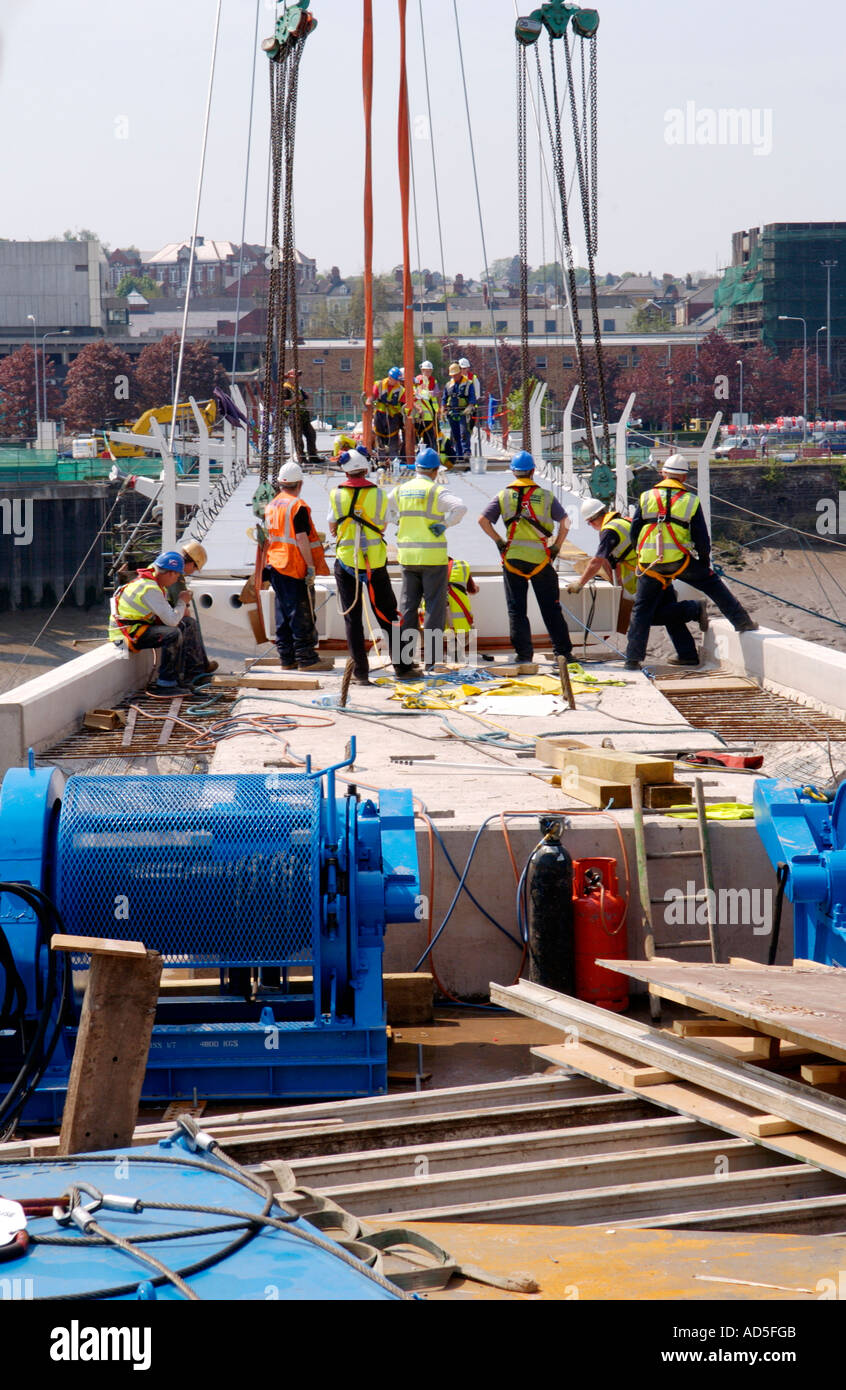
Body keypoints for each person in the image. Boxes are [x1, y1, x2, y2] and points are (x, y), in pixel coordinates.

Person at [625, 453, 758, 670]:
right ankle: (741, 621)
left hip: (649, 565)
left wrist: (641, 555)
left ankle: (632, 660)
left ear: (663, 473)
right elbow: (701, 538)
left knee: (641, 610)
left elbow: (635, 531)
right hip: (680, 562)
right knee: (713, 585)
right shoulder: (691, 501)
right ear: (684, 478)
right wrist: (704, 565)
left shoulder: (646, 496)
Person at [567, 498, 708, 659]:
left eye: (589, 523)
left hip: (648, 577)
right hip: (659, 570)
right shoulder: (623, 522)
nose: (591, 527)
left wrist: (580, 583)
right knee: (670, 612)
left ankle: (694, 609)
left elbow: (597, 560)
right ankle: (687, 655)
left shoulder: (609, 530)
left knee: (642, 617)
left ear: (595, 518)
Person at [478, 450, 573, 665]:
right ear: (532, 471)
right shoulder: (547, 496)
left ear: (513, 472)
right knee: (551, 608)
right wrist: (557, 546)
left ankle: (523, 654)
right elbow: (566, 522)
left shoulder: (502, 496)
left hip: (513, 560)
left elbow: (483, 520)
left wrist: (499, 541)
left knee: (517, 610)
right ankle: (563, 653)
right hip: (541, 560)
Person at [327, 444, 410, 684]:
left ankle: (360, 673)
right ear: (366, 469)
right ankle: (403, 668)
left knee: (352, 619)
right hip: (374, 563)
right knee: (387, 614)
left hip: (346, 562)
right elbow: (383, 525)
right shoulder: (380, 494)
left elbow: (333, 527)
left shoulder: (336, 494)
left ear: (345, 472)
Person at [391, 446, 466, 671]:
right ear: (434, 471)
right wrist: (444, 524)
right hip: (433, 557)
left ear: (416, 468)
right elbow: (460, 508)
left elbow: (384, 509)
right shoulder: (435, 491)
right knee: (434, 608)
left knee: (407, 607)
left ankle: (404, 661)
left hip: (408, 557)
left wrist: (398, 523)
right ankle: (431, 662)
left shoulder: (401, 490)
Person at [264, 461, 333, 672]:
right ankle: (306, 658)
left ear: (280, 484)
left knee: (283, 612)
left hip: (275, 563)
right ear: (299, 484)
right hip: (292, 564)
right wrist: (310, 567)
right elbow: (302, 539)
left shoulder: (272, 505)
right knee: (300, 611)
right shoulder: (297, 506)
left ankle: (287, 658)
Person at [108, 551, 194, 694]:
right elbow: (172, 621)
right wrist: (182, 601)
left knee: (183, 625)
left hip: (132, 629)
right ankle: (166, 684)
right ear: (170, 573)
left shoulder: (150, 583)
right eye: (177, 576)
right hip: (125, 636)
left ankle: (178, 679)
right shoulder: (150, 589)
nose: (176, 580)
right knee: (173, 633)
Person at [155, 538, 219, 687]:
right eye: (195, 568)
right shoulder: (175, 577)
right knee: (189, 624)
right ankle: (196, 672)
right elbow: (183, 613)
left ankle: (202, 666)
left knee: (189, 624)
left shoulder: (172, 572)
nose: (193, 572)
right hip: (158, 618)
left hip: (160, 614)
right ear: (190, 563)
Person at [367, 366, 405, 460]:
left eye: (398, 380)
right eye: (396, 380)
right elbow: (373, 398)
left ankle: (394, 460)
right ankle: (381, 461)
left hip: (393, 417)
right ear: (390, 377)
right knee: (379, 439)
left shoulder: (400, 389)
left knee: (393, 440)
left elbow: (405, 403)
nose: (397, 382)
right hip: (380, 415)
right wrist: (373, 403)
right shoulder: (379, 385)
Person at [281, 369, 319, 461]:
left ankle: (313, 457)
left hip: (303, 414)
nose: (298, 378)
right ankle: (302, 458)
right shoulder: (286, 388)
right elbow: (284, 403)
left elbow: (306, 397)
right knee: (298, 438)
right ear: (289, 377)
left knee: (311, 434)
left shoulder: (297, 388)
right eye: (295, 376)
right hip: (293, 414)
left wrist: (304, 396)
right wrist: (296, 399)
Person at [442, 363, 475, 462]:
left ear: (460, 373)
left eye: (455, 374)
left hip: (463, 412)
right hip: (452, 413)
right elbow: (444, 399)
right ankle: (459, 454)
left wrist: (469, 407)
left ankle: (466, 453)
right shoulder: (448, 385)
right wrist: (442, 411)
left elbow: (472, 398)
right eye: (452, 375)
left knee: (463, 433)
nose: (454, 377)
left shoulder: (468, 383)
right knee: (455, 435)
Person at [413, 375, 440, 451]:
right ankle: (430, 456)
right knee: (429, 441)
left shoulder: (414, 391)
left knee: (419, 441)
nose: (426, 385)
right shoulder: (421, 392)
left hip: (420, 419)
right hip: (423, 419)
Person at [458, 356, 482, 442]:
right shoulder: (456, 378)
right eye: (461, 368)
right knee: (459, 429)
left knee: (469, 428)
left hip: (471, 407)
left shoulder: (473, 378)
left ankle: (467, 442)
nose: (463, 370)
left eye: (465, 368)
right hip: (459, 408)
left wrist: (471, 404)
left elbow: (477, 394)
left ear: (468, 368)